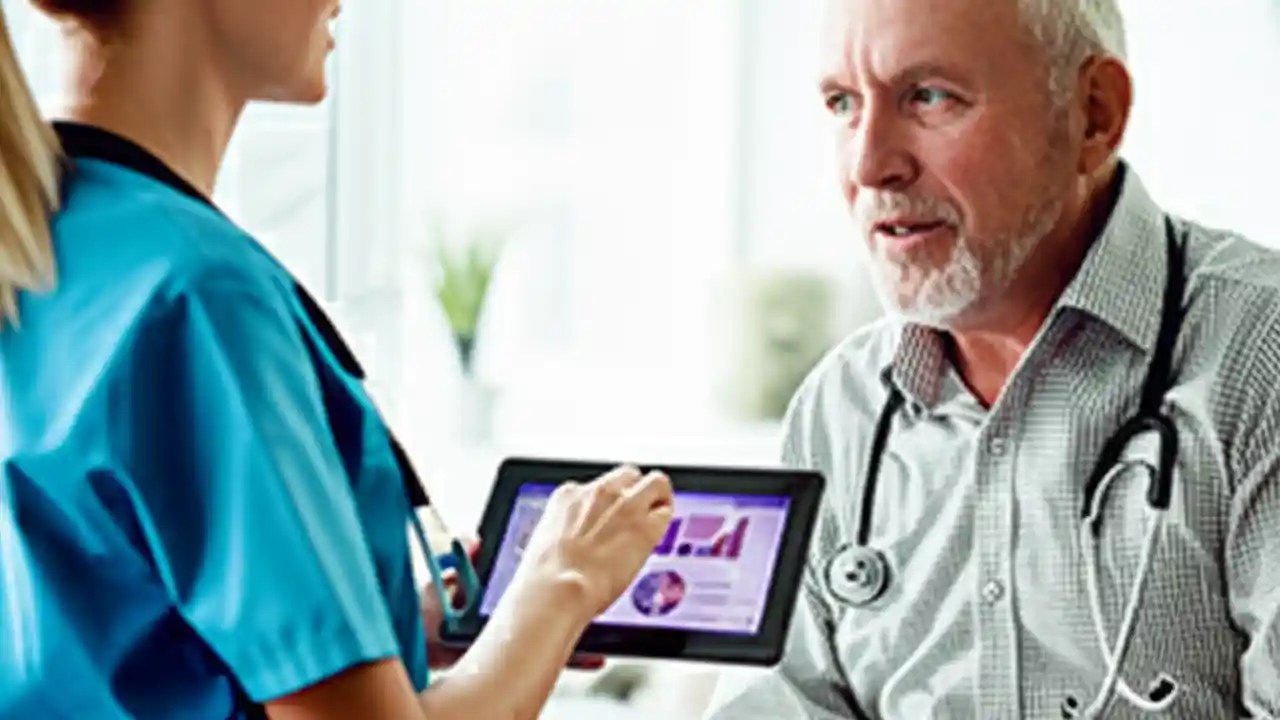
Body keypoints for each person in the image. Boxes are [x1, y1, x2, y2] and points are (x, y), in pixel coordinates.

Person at [0, 2, 675, 719]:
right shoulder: (201, 294)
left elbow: (114, 636)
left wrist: (383, 634)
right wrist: (561, 584)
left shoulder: (46, 242)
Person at [704, 0, 1280, 718]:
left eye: (929, 97)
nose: (870, 164)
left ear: (1093, 115)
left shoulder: (1259, 356)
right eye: (844, 103)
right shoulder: (839, 411)